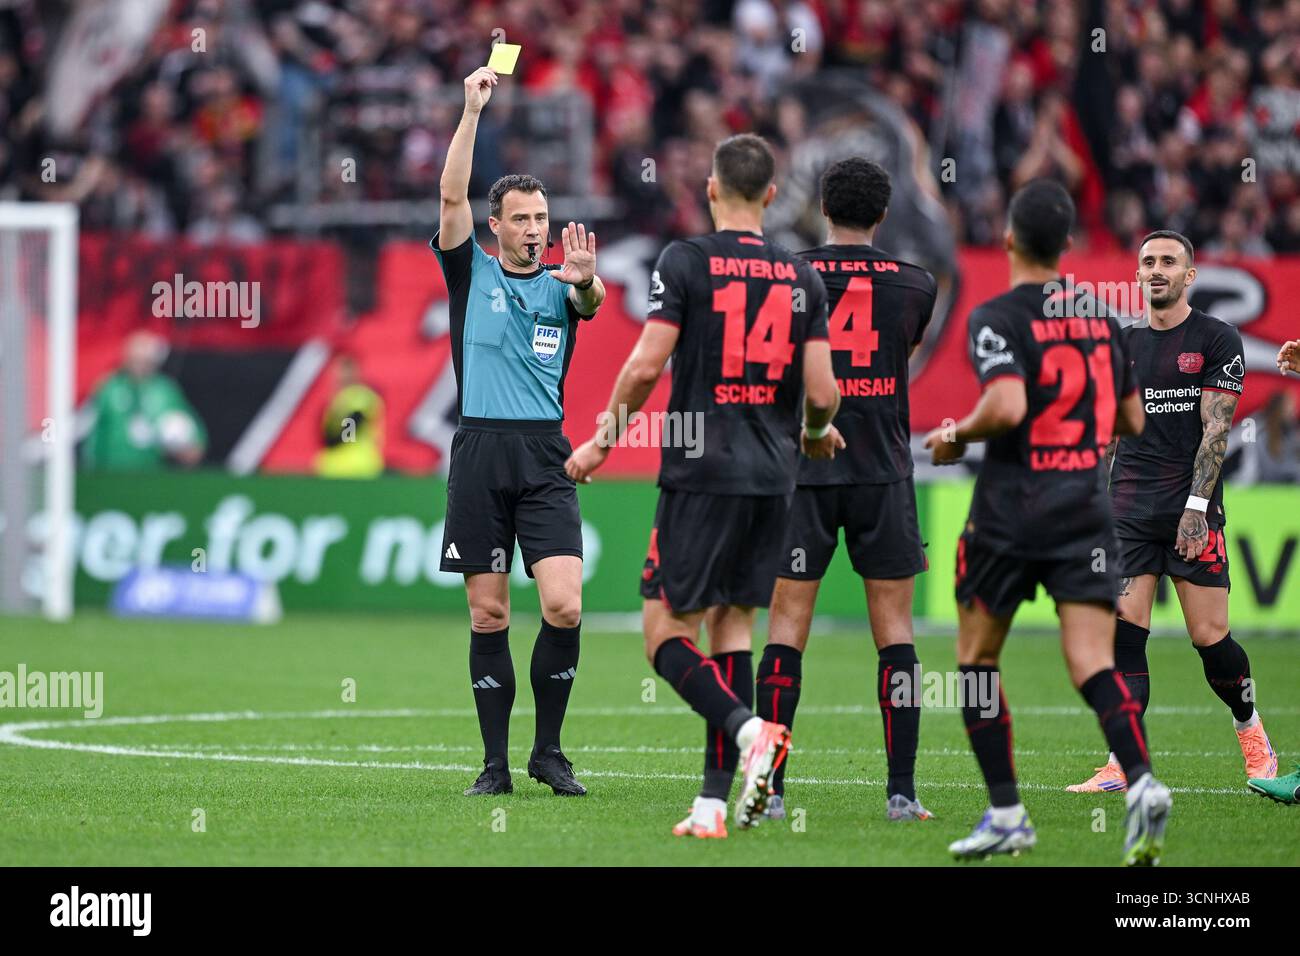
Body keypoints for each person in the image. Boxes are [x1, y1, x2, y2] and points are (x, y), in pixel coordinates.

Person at [565, 133, 841, 838]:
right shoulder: (802, 277)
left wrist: (602, 440)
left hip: (702, 470)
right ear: (772, 196)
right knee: (732, 633)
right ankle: (713, 805)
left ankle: (753, 733)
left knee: (663, 635)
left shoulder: (686, 260)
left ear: (712, 190)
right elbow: (822, 392)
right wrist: (810, 437)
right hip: (774, 478)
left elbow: (644, 365)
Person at [923, 180, 1170, 865]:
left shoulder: (997, 315)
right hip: (1087, 510)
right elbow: (1132, 420)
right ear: (1067, 245)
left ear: (1006, 239)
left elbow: (1003, 406)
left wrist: (954, 435)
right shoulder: (1100, 317)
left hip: (1010, 510)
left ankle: (1006, 813)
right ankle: (1143, 781)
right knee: (1091, 659)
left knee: (976, 660)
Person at [431, 66, 606, 798]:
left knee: (564, 603)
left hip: (544, 454)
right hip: (479, 450)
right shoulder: (469, 271)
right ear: (495, 225)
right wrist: (471, 112)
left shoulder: (565, 286)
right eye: (522, 218)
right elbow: (449, 195)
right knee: (490, 609)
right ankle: (495, 765)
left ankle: (549, 751)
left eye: (543, 217)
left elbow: (593, 301)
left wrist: (589, 279)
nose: (535, 229)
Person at [1067, 230, 1281, 793]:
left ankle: (1252, 734)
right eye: (1147, 262)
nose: (1156, 269)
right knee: (1123, 635)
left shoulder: (1217, 337)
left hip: (1192, 510)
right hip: (1128, 512)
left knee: (1211, 640)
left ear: (1189, 276)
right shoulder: (1120, 342)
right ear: (1137, 275)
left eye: (1168, 261)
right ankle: (1122, 762)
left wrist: (1195, 508)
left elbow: (1217, 428)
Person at [758, 157, 938, 823]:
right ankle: (901, 793)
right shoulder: (918, 284)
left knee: (786, 626)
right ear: (884, 214)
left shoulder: (787, 276)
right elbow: (902, 354)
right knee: (895, 631)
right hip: (884, 471)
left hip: (803, 470)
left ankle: (770, 791)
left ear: (821, 210)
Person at [81, 331, 206, 472]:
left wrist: (180, 445)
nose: (140, 366)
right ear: (125, 359)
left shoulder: (166, 391)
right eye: (135, 360)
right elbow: (91, 435)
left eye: (145, 361)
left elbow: (196, 447)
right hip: (108, 475)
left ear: (155, 362)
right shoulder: (108, 388)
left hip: (152, 479)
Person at [314, 355, 385, 478]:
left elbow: (349, 432)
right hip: (332, 466)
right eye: (340, 370)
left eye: (347, 370)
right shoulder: (334, 400)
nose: (343, 375)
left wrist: (332, 441)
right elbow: (324, 434)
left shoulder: (362, 396)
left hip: (357, 466)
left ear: (356, 372)